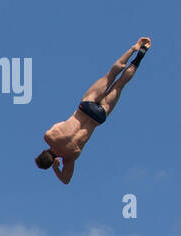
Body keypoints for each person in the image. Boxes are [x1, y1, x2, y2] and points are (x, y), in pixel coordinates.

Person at [35, 37, 150, 184]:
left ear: (51, 162)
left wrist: (57, 168)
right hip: (84, 108)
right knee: (110, 76)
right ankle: (134, 48)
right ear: (42, 152)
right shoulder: (49, 136)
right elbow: (61, 122)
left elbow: (66, 180)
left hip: (98, 117)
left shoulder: (70, 157)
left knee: (119, 85)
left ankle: (140, 56)